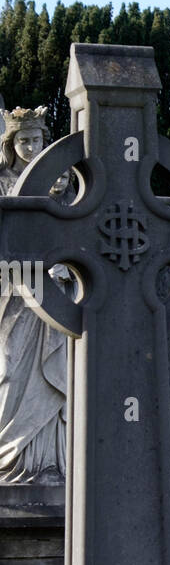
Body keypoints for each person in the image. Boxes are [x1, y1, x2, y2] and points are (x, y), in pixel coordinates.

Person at [0, 106, 69, 483]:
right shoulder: (1, 184)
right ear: (10, 144)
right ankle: (11, 461)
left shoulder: (60, 182)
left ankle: (51, 464)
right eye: (22, 140)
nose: (29, 146)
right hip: (12, 297)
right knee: (10, 374)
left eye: (36, 140)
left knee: (56, 379)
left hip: (55, 295)